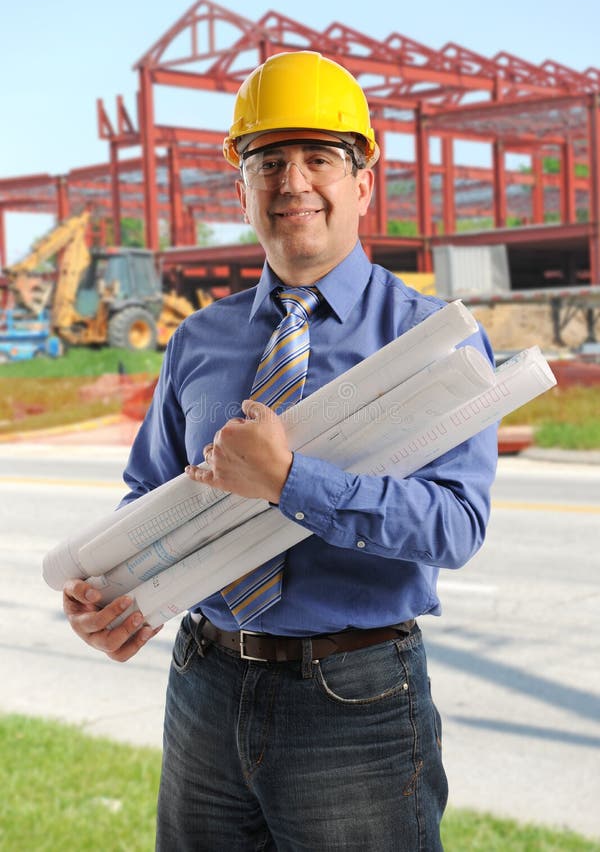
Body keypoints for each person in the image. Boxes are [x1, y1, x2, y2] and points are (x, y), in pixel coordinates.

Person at [63, 50, 498, 851]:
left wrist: (292, 481)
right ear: (243, 186)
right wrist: (118, 593)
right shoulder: (199, 340)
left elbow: (458, 526)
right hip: (204, 681)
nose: (292, 181)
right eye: (268, 161)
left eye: (319, 157)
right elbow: (148, 497)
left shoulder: (433, 342)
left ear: (363, 181)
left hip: (356, 703)